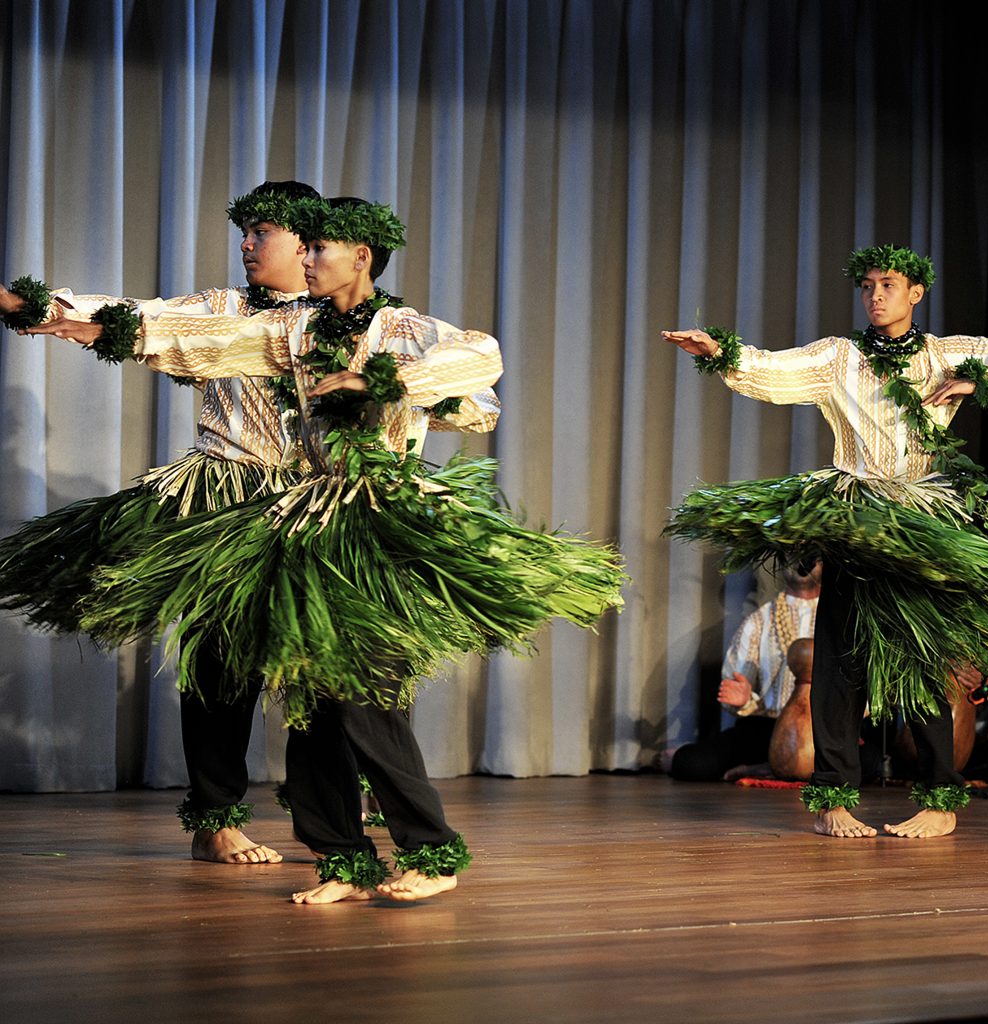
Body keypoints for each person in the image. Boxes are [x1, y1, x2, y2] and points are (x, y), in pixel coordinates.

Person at [28, 196, 625, 901]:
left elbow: (478, 361)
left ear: (361, 257)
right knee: (309, 700)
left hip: (374, 519)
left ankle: (432, 853)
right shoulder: (291, 331)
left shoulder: (402, 327)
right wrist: (66, 315)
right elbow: (194, 337)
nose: (303, 260)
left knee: (366, 699)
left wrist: (384, 382)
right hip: (304, 517)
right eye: (301, 247)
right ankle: (342, 856)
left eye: (317, 249)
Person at [663, 244, 988, 839]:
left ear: (916, 294)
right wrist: (724, 352)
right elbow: (773, 370)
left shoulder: (940, 355)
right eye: (868, 286)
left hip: (922, 513)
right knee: (839, 658)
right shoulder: (839, 357)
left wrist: (974, 377)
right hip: (856, 514)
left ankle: (939, 799)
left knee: (922, 658)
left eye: (889, 285)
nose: (876, 296)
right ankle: (833, 797)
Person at [0, 180, 329, 865]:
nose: (246, 243)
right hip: (227, 495)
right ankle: (215, 817)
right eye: (244, 232)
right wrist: (38, 307)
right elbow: (136, 315)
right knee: (223, 661)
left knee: (321, 657)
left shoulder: (345, 319)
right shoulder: (219, 308)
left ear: (306, 242)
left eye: (261, 232)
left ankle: (329, 810)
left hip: (315, 504)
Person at [667, 559, 821, 782]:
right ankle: (776, 764)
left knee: (870, 759)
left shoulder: (842, 622)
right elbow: (736, 684)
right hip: (767, 729)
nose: (802, 560)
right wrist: (742, 698)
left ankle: (770, 767)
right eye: (793, 552)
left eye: (812, 555)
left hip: (822, 734)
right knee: (690, 762)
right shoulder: (759, 620)